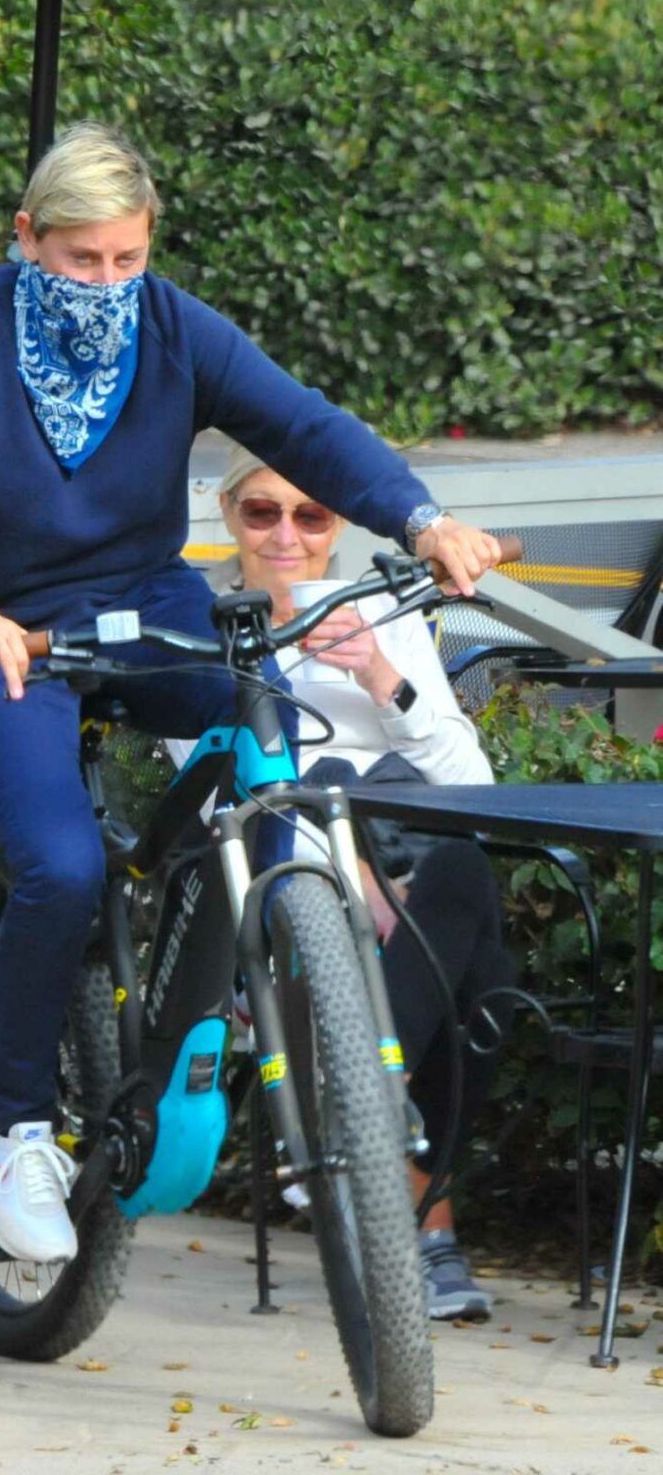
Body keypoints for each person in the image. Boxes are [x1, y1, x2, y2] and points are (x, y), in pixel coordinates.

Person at [0, 120, 504, 1267]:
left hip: (138, 604)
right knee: (61, 863)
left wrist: (421, 517)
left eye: (127, 258)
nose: (107, 282)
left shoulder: (170, 327)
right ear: (27, 238)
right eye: (80, 259)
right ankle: (12, 1125)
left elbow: (302, 424)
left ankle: (347, 1067)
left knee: (269, 736)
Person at [191, 443, 515, 1319]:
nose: (288, 535)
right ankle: (428, 1233)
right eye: (263, 513)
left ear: (337, 522)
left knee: (466, 906)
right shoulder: (202, 615)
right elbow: (204, 784)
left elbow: (469, 781)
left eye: (312, 514)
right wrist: (355, 867)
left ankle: (370, 1129)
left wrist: (380, 673)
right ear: (229, 517)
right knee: (476, 978)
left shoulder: (379, 604)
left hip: (410, 835)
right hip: (289, 848)